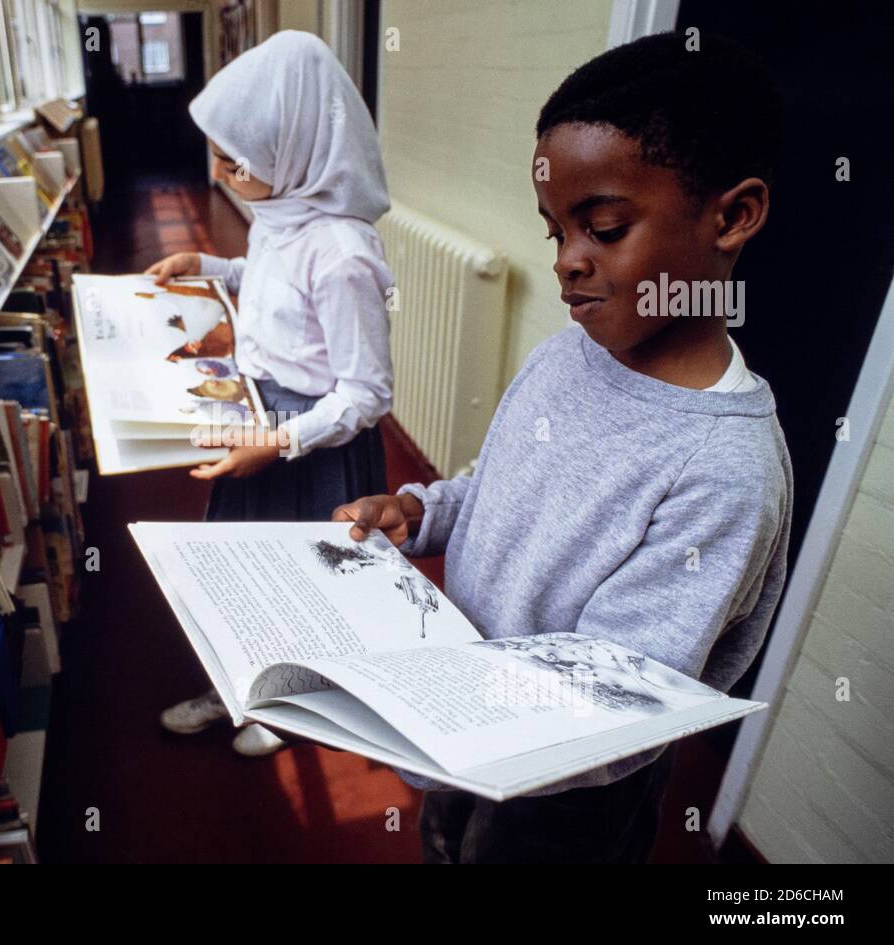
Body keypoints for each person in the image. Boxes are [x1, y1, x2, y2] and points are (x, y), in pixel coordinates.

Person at [334, 32, 793, 862]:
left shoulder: (723, 473)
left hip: (566, 797)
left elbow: (610, 709)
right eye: (554, 234)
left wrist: (426, 700)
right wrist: (420, 511)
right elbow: (497, 487)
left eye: (605, 228)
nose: (567, 265)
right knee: (446, 845)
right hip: (468, 731)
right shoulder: (569, 351)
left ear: (732, 216)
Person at [148, 31, 395, 757]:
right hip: (262, 414)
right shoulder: (284, 209)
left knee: (299, 581)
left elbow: (367, 394)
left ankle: (283, 704)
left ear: (297, 149)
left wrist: (281, 440)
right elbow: (272, 279)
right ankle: (233, 684)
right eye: (219, 154)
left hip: (313, 440)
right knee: (237, 565)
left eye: (237, 159)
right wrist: (212, 265)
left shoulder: (344, 253)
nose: (220, 170)